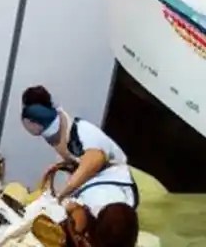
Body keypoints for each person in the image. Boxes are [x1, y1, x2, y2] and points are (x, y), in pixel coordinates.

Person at [20, 85, 138, 215]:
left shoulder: (83, 132)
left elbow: (95, 160)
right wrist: (61, 166)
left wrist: (63, 194)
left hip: (114, 184)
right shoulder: (65, 139)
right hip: (94, 182)